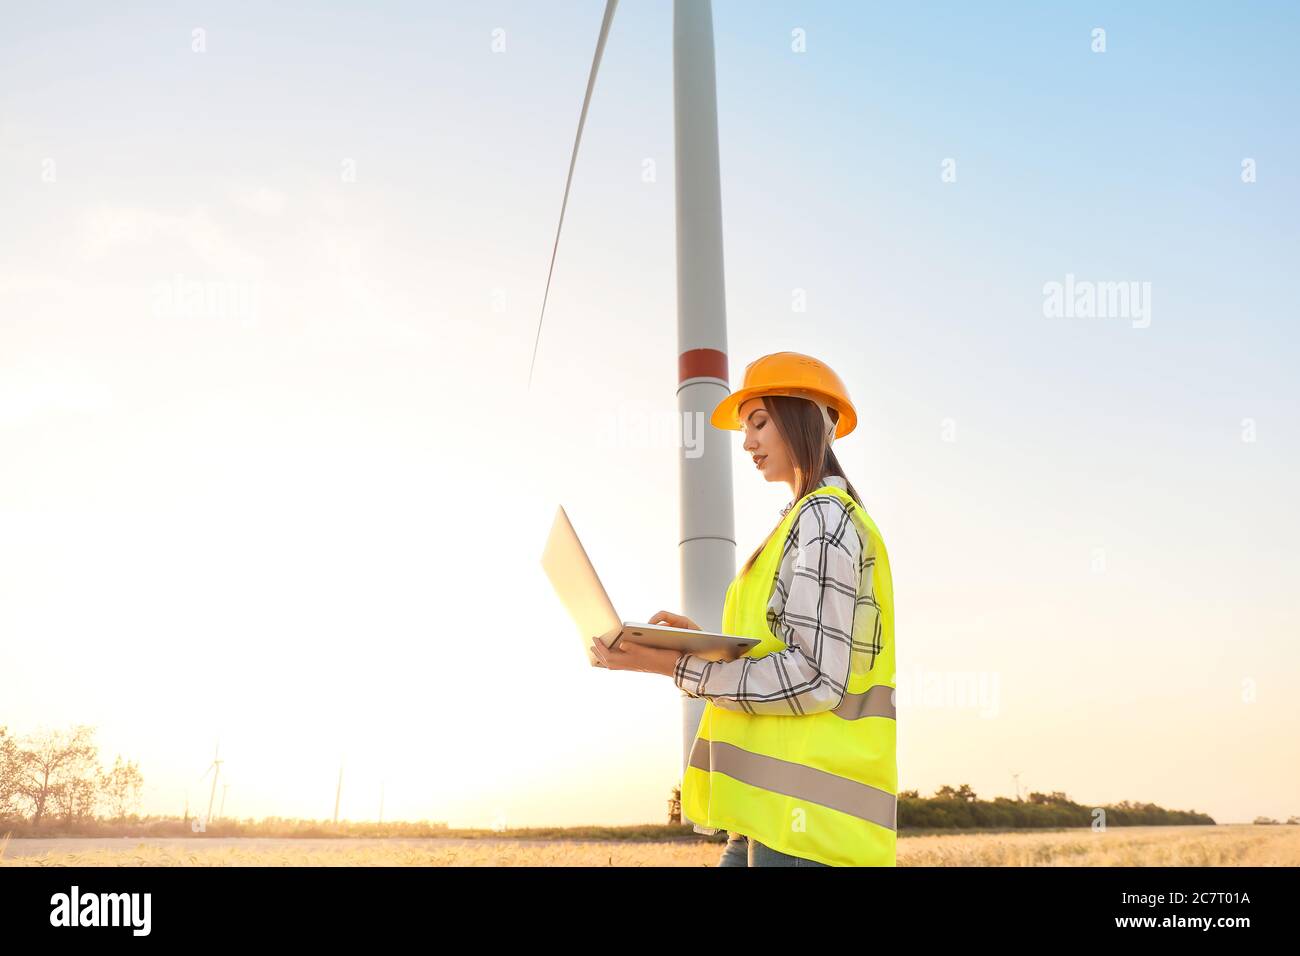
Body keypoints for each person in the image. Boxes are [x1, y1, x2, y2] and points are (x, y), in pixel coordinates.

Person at [591, 352, 897, 867]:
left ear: (805, 417)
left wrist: (671, 664)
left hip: (805, 832)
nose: (748, 442)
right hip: (764, 818)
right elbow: (781, 650)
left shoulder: (825, 518)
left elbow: (814, 677)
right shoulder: (799, 523)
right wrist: (703, 643)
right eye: (744, 429)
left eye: (758, 422)